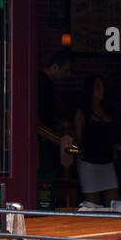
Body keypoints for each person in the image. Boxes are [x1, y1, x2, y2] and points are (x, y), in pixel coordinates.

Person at [74, 75, 121, 206]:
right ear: (90, 90)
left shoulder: (108, 110)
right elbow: (77, 139)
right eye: (98, 87)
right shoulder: (82, 112)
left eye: (103, 87)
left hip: (107, 163)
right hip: (89, 163)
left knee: (114, 205)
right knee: (92, 206)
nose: (102, 90)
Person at [37, 50, 74, 179]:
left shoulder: (47, 84)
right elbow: (34, 118)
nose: (68, 75)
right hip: (42, 143)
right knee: (46, 180)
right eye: (66, 71)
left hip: (48, 140)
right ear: (55, 67)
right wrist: (56, 138)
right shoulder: (41, 84)